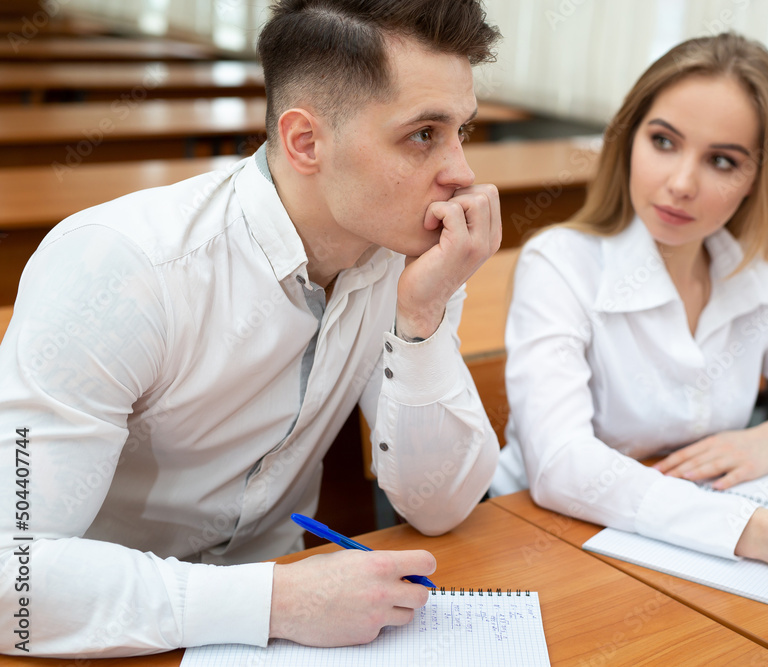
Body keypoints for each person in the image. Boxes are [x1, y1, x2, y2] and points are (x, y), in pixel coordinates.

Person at [0, 0, 502, 657]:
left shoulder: (404, 263)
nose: (462, 173)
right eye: (423, 135)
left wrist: (423, 319)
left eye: (463, 130)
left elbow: (440, 505)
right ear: (305, 141)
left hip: (293, 633)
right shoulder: (119, 268)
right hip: (112, 634)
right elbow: (17, 577)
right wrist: (278, 600)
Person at [490, 33, 768, 590]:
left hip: (677, 552)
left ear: (755, 178)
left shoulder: (753, 285)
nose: (681, 184)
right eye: (663, 141)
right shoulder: (560, 264)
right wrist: (759, 533)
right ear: (629, 139)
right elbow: (559, 467)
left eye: (721, 160)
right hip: (539, 540)